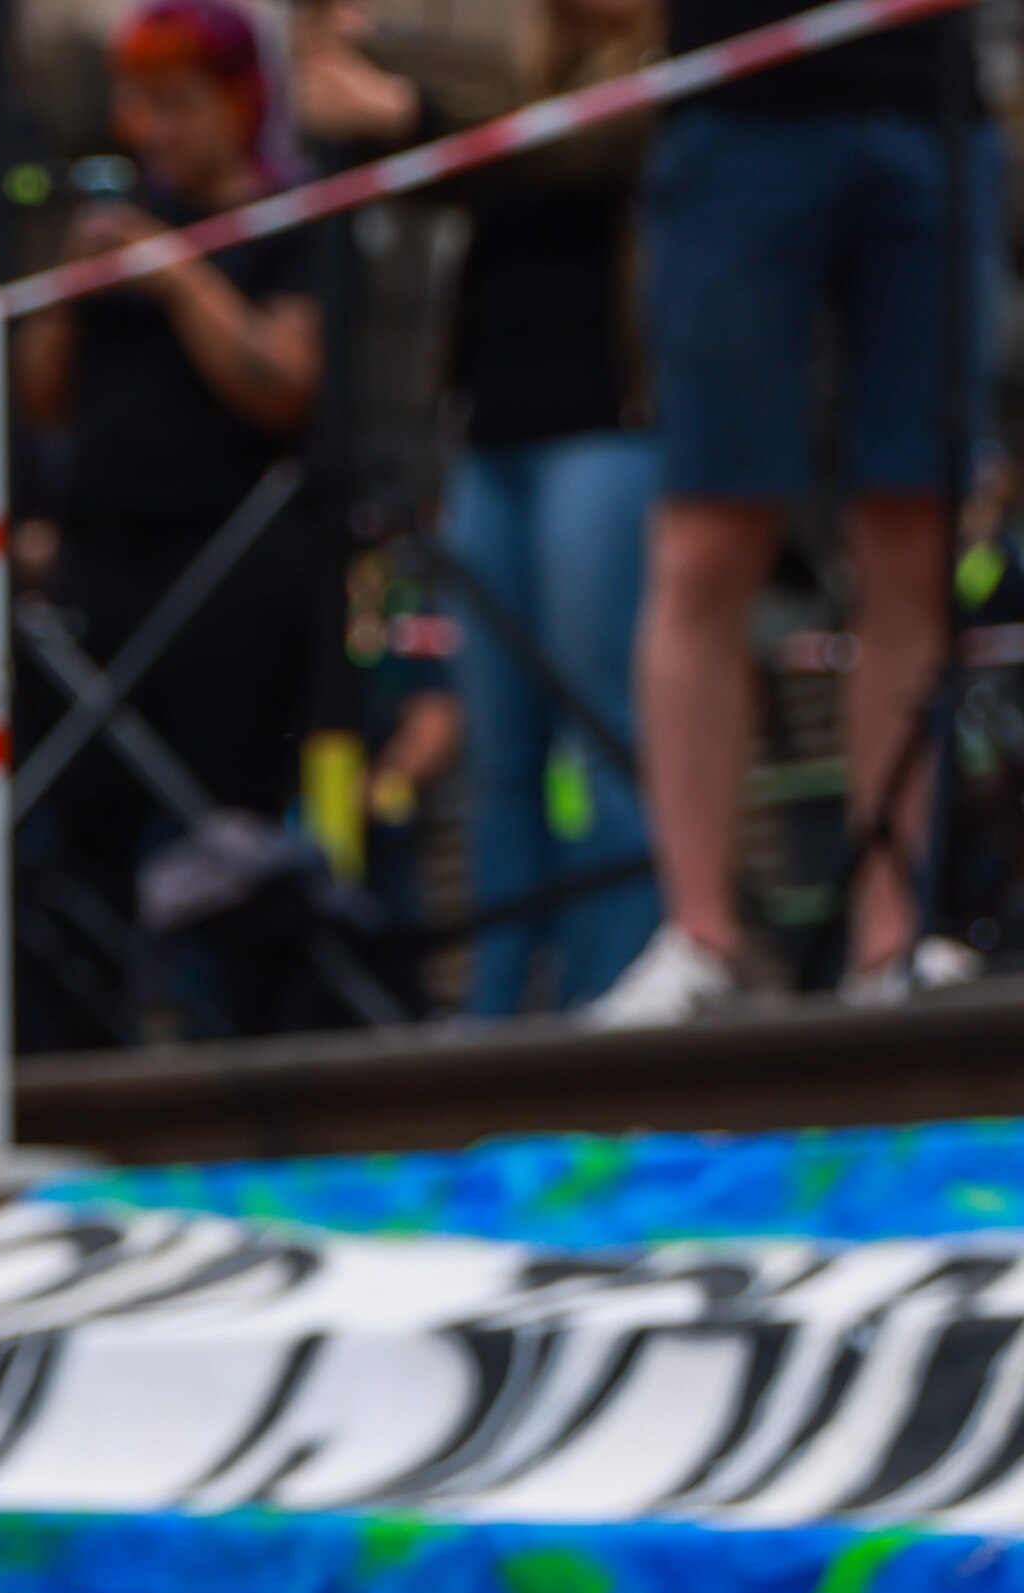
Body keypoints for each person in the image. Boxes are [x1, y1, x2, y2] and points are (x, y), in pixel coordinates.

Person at [582, 0, 998, 1022]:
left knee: (911, 536)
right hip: (739, 98)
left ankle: (887, 945)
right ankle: (697, 939)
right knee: (707, 538)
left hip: (925, 103)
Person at [20, 0, 336, 1036]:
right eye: (136, 104)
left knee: (228, 820)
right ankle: (89, 1031)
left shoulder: (282, 225)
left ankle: (248, 1029)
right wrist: (71, 290)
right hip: (103, 561)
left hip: (231, 565)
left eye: (176, 104)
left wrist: (178, 277)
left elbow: (280, 383)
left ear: (235, 103)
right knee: (89, 817)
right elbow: (40, 398)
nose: (151, 128)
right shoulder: (112, 242)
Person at [402, 0, 667, 1014]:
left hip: (604, 429)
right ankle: (495, 994)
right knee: (494, 744)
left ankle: (616, 980)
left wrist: (409, 113)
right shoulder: (507, 99)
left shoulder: (652, 87)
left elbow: (568, 156)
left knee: (599, 720)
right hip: (490, 438)